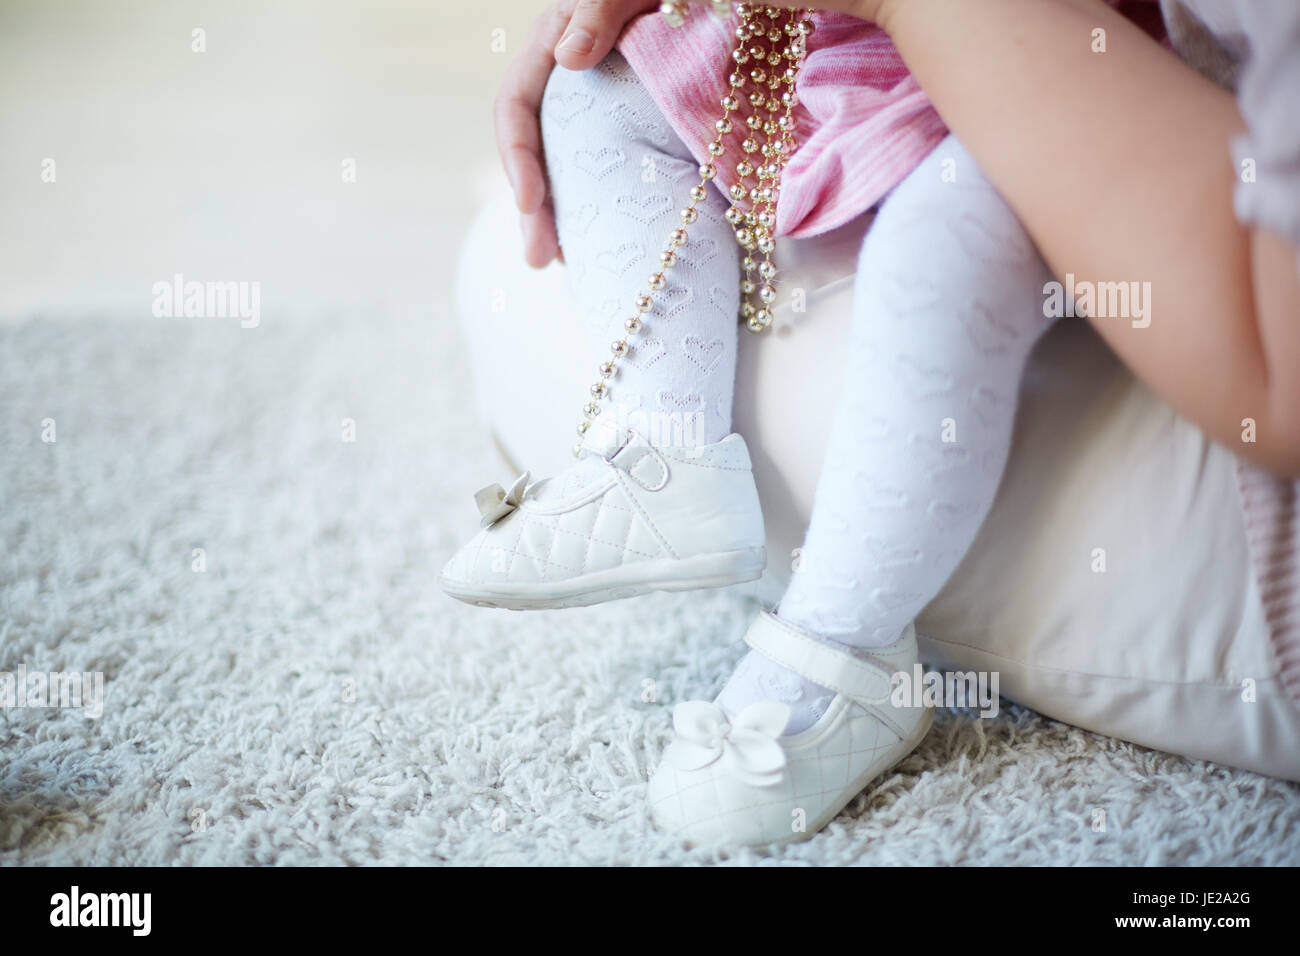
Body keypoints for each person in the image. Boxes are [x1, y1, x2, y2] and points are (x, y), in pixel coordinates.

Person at [442, 0, 1300, 845]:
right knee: (593, 91)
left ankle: (847, 641)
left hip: (1045, 72)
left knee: (949, 238)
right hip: (809, 43)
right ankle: (665, 457)